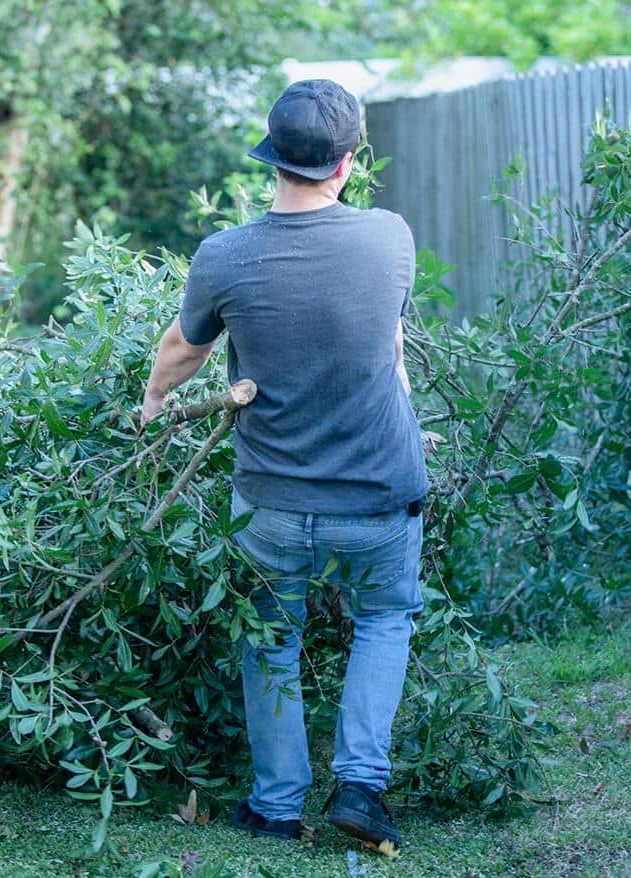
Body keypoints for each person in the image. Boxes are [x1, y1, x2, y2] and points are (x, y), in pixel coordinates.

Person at [139, 79, 426, 853]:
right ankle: (361, 787)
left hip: (272, 505)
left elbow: (183, 350)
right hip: (379, 495)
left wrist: (152, 404)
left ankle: (274, 807)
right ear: (346, 163)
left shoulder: (224, 255)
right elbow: (389, 348)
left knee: (269, 640)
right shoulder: (390, 238)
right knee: (383, 620)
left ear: (272, 159)